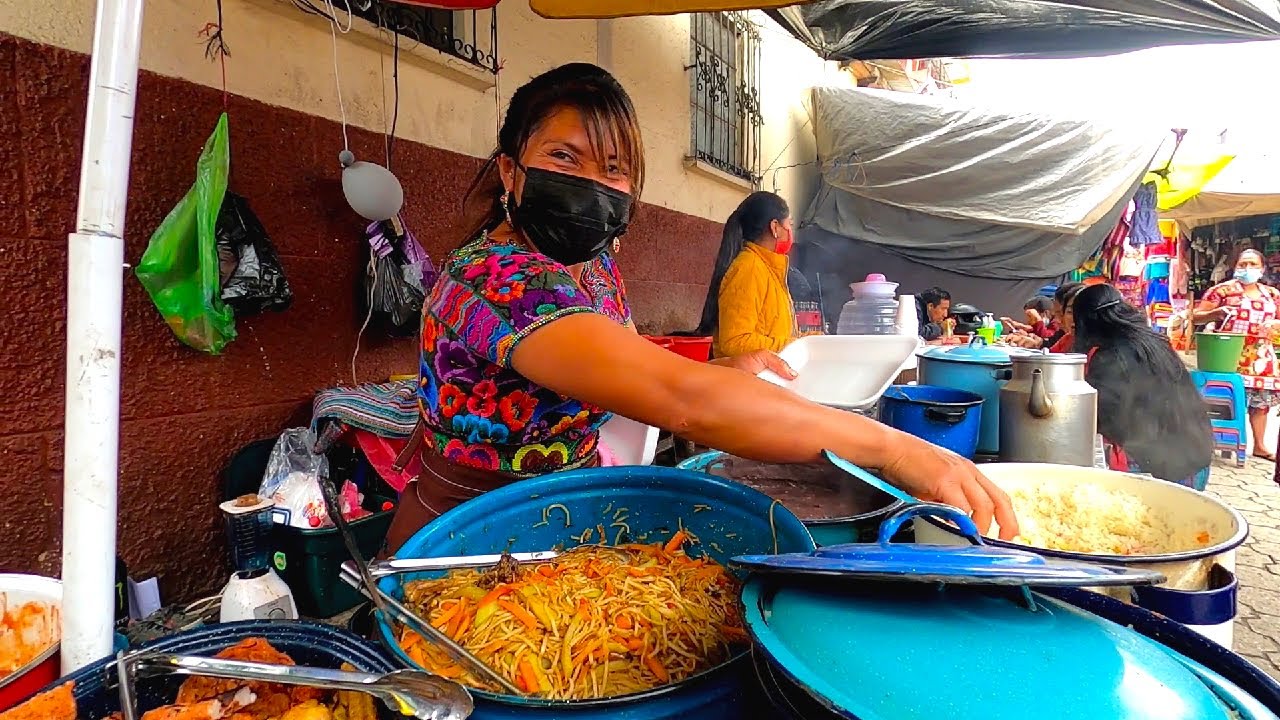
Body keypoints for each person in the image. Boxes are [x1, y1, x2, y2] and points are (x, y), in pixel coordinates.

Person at [385, 62, 1018, 550]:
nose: (591, 184)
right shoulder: (494, 281)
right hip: (470, 542)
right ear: (509, 171)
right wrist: (898, 449)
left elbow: (630, 370)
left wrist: (721, 372)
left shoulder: (594, 269)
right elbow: (682, 401)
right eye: (562, 156)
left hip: (564, 518)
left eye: (614, 167)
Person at [1073, 284, 1213, 488]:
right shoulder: (1152, 341)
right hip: (1196, 457)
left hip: (1163, 469)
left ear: (1086, 322)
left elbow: (1100, 415)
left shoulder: (1111, 356)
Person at [1192, 247, 1280, 461]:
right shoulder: (1222, 291)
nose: (1247, 268)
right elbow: (1196, 316)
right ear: (1235, 266)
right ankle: (1215, 443)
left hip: (1261, 356)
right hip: (1228, 354)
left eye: (1253, 265)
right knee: (1229, 401)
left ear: (1262, 269)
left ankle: (1259, 445)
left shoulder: (1272, 294)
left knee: (1261, 404)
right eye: (1243, 264)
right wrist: (1215, 313)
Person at [696, 191, 796, 358]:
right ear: (775, 228)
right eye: (789, 224)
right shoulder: (749, 268)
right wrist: (794, 344)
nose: (791, 231)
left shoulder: (768, 269)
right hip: (747, 380)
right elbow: (735, 341)